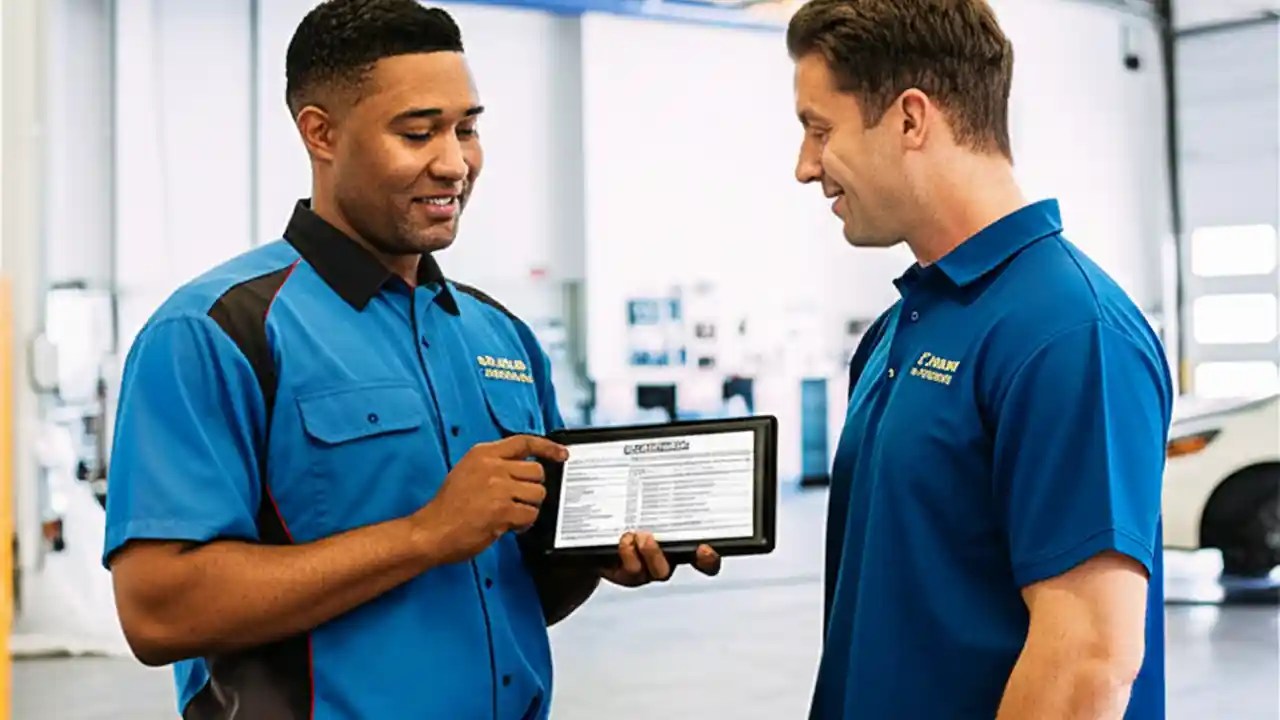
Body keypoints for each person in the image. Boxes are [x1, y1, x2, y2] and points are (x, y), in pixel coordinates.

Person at [102, 1, 720, 718]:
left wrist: (592, 557)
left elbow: (508, 589)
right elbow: (158, 612)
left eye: (468, 128)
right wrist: (426, 534)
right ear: (321, 132)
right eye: (418, 131)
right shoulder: (215, 332)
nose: (455, 162)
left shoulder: (501, 337)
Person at [786, 1, 1172, 718]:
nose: (806, 167)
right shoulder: (899, 330)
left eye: (819, 130)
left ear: (909, 118)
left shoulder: (1069, 334)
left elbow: (1088, 661)